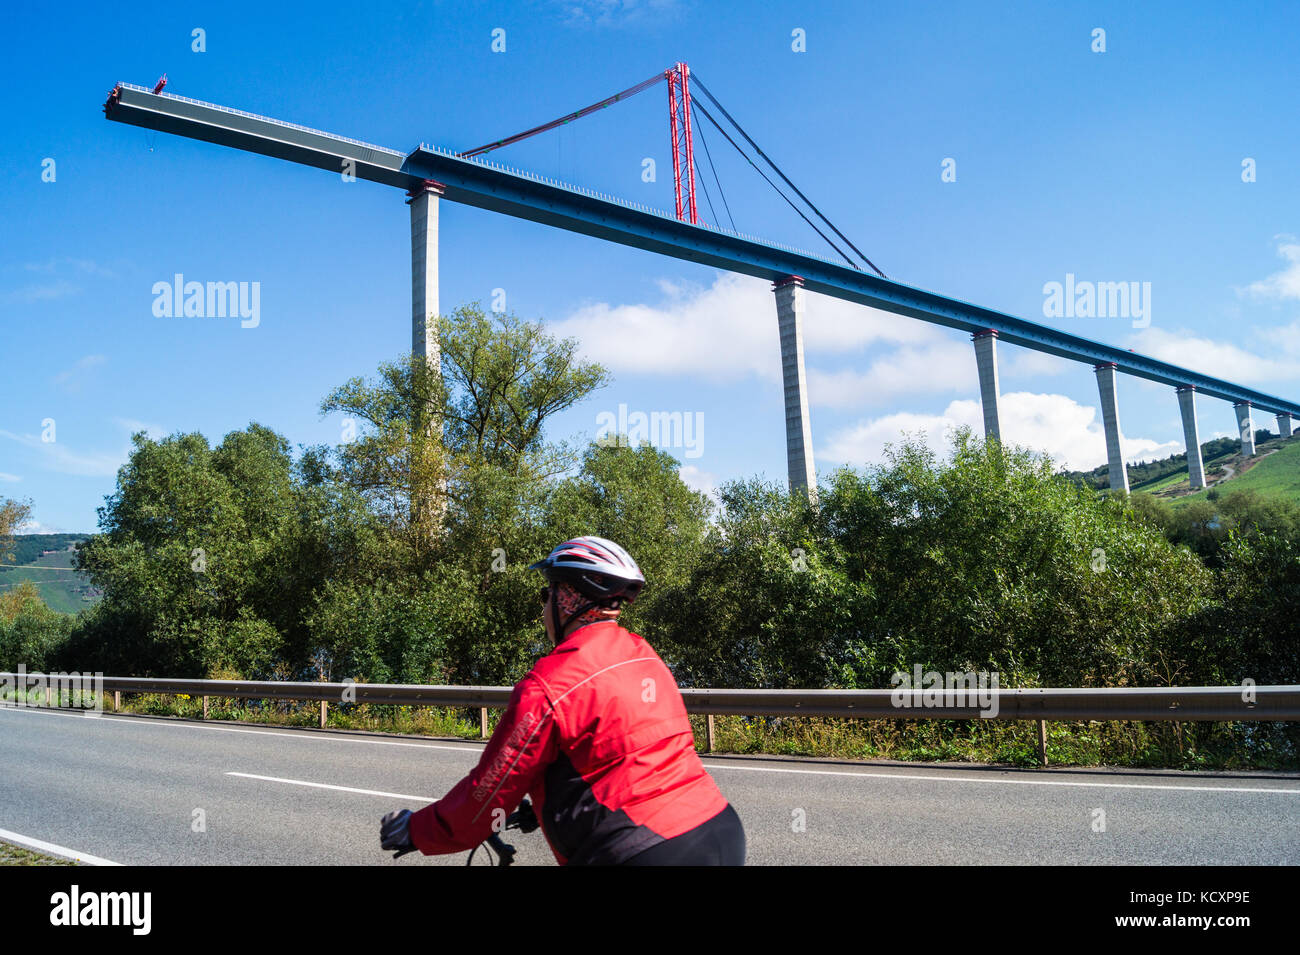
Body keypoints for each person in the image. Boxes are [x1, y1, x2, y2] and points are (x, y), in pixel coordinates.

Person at [379, 535, 745, 865]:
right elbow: (628, 757)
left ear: (566, 600)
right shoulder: (643, 654)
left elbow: (488, 793)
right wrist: (539, 810)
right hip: (719, 829)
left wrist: (417, 829)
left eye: (545, 596)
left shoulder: (548, 684)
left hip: (643, 851)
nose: (542, 610)